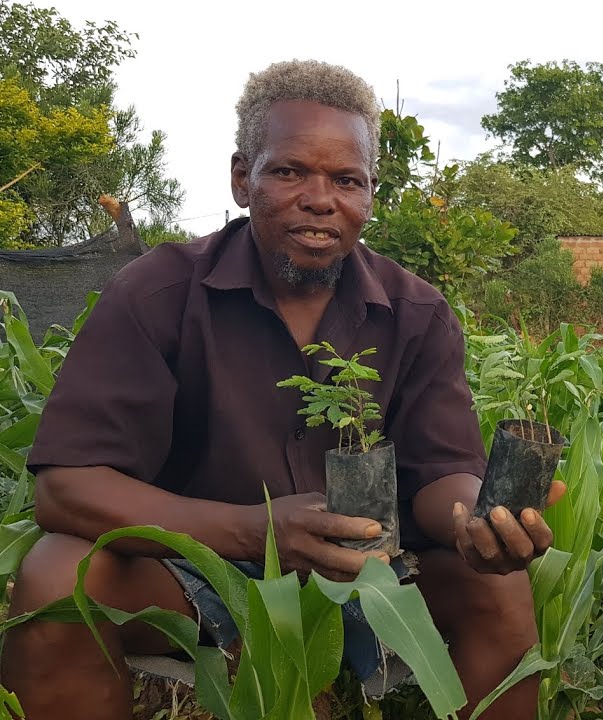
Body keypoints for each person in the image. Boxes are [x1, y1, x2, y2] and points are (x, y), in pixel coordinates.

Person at [0, 59, 558, 720]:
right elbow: (68, 488)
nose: (321, 199)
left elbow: (442, 473)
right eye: (290, 171)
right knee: (59, 577)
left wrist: (474, 522)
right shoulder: (159, 294)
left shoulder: (416, 313)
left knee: (497, 588)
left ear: (371, 194)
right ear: (242, 179)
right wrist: (254, 531)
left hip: (374, 579)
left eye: (347, 180)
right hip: (196, 575)